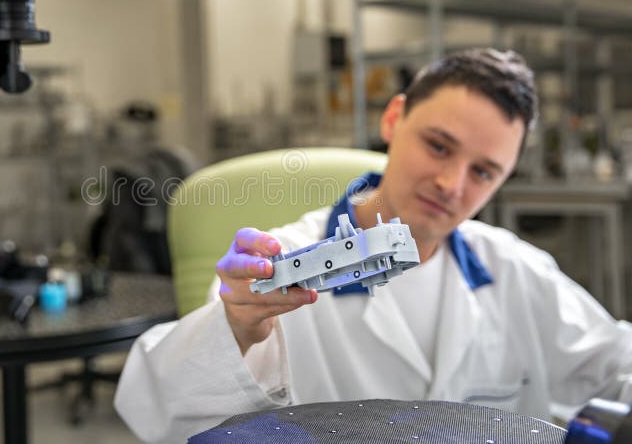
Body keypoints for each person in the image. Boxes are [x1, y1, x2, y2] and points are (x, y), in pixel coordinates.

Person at [114, 48, 632, 443]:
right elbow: (160, 411)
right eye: (438, 146)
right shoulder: (279, 267)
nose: (451, 184)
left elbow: (616, 368)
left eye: (482, 172)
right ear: (393, 119)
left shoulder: (518, 270)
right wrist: (237, 329)